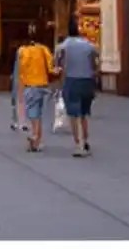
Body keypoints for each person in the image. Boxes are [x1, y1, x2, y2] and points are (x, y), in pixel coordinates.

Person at [55, 21, 100, 157]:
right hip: (87, 81)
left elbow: (57, 62)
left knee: (73, 114)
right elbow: (96, 56)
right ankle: (85, 140)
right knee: (84, 113)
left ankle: (78, 144)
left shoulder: (64, 45)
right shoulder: (88, 44)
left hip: (72, 80)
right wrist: (94, 71)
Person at [16, 28, 60, 152]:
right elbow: (51, 68)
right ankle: (38, 140)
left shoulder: (23, 51)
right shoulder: (44, 49)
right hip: (43, 84)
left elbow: (21, 70)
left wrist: (20, 87)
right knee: (39, 113)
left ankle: (35, 135)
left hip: (30, 84)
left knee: (33, 112)